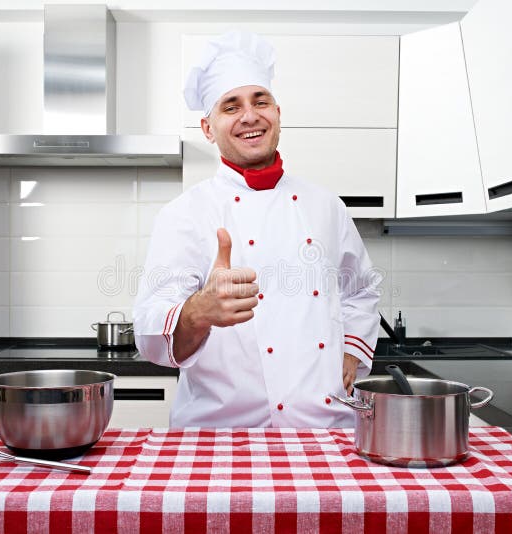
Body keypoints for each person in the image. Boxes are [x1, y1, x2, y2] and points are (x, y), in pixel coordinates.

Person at [133, 31, 380, 428]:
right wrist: (198, 312)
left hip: (324, 427)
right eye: (231, 106)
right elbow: (149, 334)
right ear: (208, 128)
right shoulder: (183, 215)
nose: (250, 116)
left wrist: (352, 350)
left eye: (260, 101)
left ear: (277, 113)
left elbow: (361, 290)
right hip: (221, 433)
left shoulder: (326, 206)